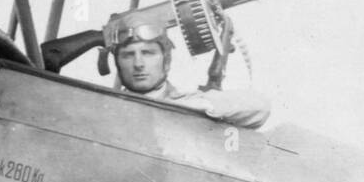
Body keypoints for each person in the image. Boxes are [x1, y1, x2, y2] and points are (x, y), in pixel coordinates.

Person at [112, 24, 270, 128]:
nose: (138, 63)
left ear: (166, 61)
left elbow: (260, 106)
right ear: (117, 63)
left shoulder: (188, 101)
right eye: (128, 55)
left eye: (148, 53)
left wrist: (191, 108)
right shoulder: (109, 106)